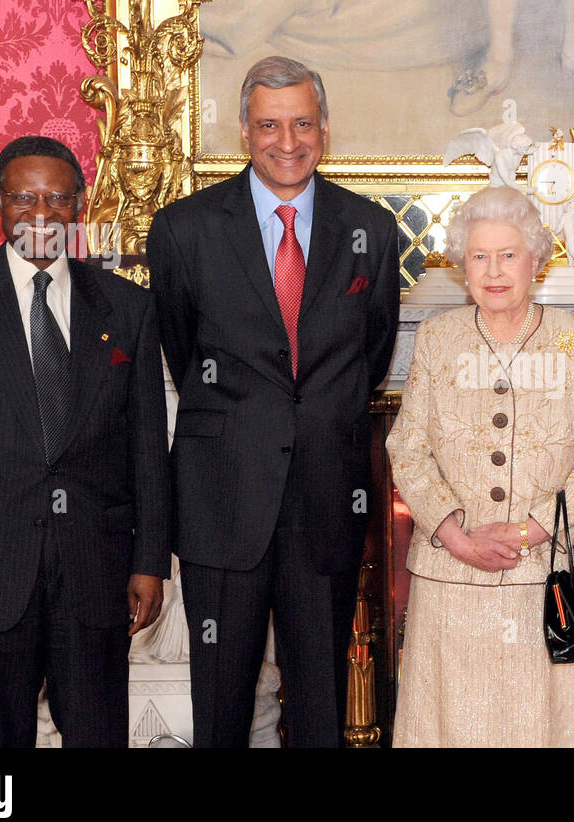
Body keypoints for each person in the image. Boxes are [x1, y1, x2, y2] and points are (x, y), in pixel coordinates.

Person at [148, 56, 400, 747]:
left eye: (301, 124)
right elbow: (182, 349)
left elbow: (370, 359)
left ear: (325, 128)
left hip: (327, 497)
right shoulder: (184, 230)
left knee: (319, 708)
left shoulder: (370, 231)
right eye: (268, 124)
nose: (286, 141)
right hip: (220, 497)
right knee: (221, 704)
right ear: (243, 130)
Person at [0, 136, 170, 747]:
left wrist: (150, 561)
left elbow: (148, 449)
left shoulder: (128, 308)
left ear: (78, 205)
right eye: (23, 198)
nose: (40, 214)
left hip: (95, 570)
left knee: (98, 735)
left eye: (57, 199)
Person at [386, 186, 574, 747]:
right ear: (462, 264)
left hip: (543, 577)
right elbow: (407, 447)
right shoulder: (438, 339)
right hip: (450, 576)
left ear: (536, 262)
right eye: (479, 255)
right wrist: (456, 536)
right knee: (450, 724)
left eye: (509, 255)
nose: (494, 270)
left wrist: (527, 530)